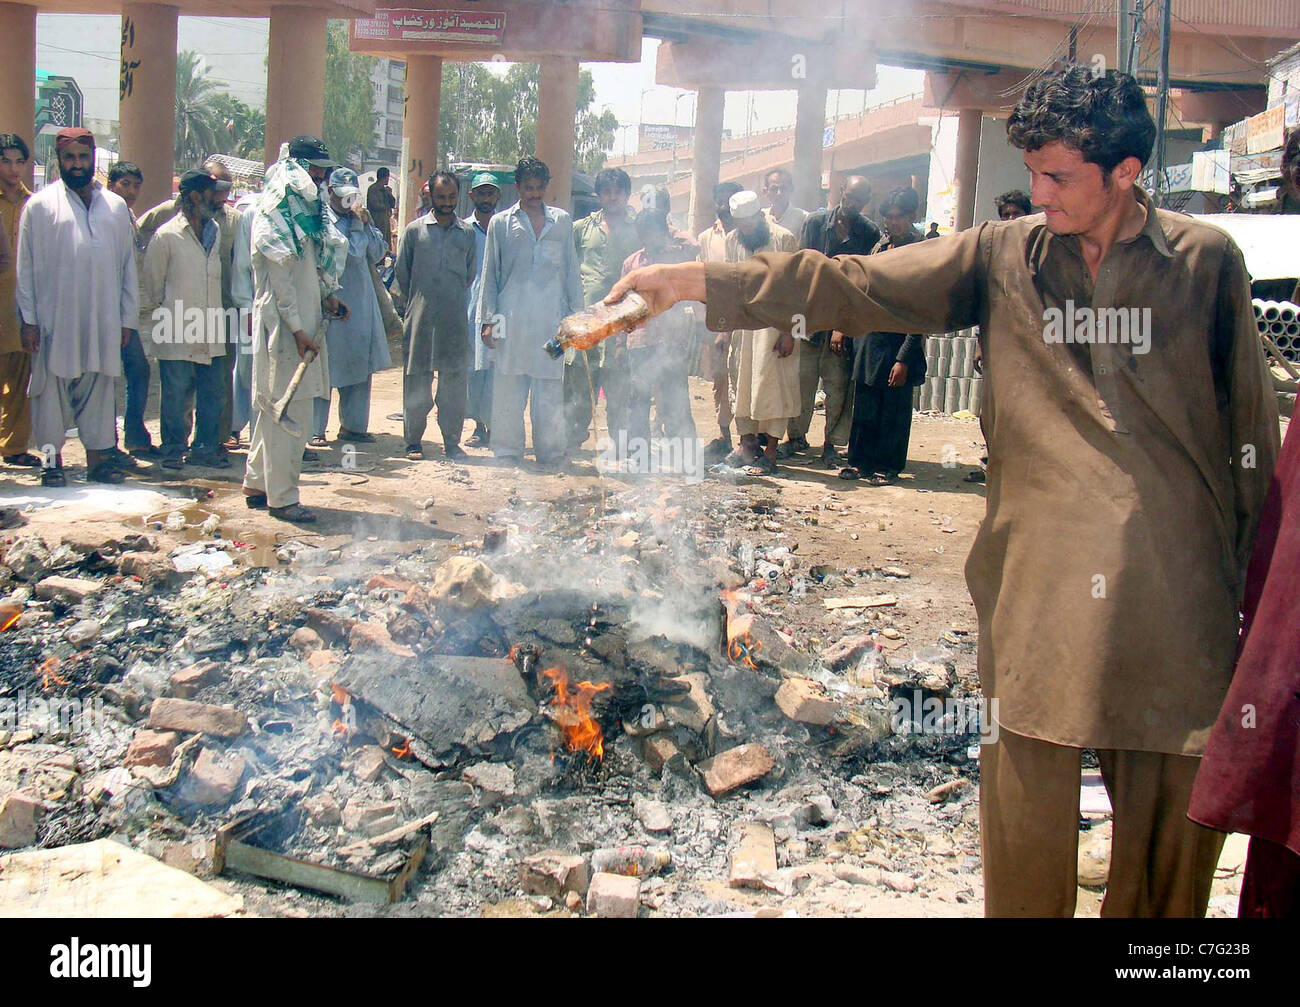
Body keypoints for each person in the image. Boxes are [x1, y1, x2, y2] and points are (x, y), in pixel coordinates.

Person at [610, 66, 1280, 917]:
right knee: (1027, 853)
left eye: (1059, 177)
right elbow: (855, 282)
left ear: (1127, 172)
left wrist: (1264, 616)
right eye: (1030, 172)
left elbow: (1253, 441)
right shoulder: (1003, 259)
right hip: (1039, 598)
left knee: (1164, 883)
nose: (1037, 194)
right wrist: (701, 282)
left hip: (1178, 606)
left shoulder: (1206, 263)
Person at [16, 127, 138, 486]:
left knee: (100, 391)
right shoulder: (39, 206)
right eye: (70, 157)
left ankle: (98, 463)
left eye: (83, 157)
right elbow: (25, 268)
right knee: (49, 395)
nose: (77, 164)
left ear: (93, 159)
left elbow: (128, 268)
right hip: (55, 319)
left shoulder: (115, 208)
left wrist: (127, 319)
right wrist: (29, 320)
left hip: (102, 319)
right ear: (59, 160)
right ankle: (52, 464)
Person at [242, 136, 349, 523]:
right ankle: (283, 499)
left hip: (302, 320)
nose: (320, 175)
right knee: (289, 410)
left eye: (323, 168)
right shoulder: (275, 212)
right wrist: (297, 328)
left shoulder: (304, 213)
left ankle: (257, 483)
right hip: (285, 328)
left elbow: (310, 269)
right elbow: (281, 280)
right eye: (314, 167)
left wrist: (326, 298)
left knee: (276, 407)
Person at [476, 156, 582, 471]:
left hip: (552, 323)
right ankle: (507, 453)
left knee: (549, 390)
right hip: (510, 320)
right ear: (518, 188)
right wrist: (488, 321)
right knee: (508, 389)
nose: (534, 194)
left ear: (546, 187)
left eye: (539, 188)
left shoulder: (562, 222)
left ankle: (550, 454)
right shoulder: (500, 223)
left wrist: (577, 319)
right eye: (528, 188)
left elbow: (572, 272)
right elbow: (490, 274)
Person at [136, 158, 242, 451]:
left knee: (213, 393)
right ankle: (173, 449)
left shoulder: (216, 230)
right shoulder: (167, 235)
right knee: (176, 393)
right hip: (176, 326)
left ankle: (206, 449)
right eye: (212, 192)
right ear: (195, 196)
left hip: (212, 325)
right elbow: (153, 284)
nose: (219, 197)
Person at [779, 174, 879, 465]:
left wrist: (842, 328)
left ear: (865, 203)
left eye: (858, 201)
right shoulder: (814, 224)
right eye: (849, 197)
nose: (852, 204)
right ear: (840, 192)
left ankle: (833, 444)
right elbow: (801, 273)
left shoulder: (868, 233)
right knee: (802, 381)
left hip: (843, 322)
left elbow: (863, 284)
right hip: (809, 319)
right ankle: (795, 436)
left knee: (838, 385)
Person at [840, 186, 926, 484]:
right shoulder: (880, 247)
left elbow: (920, 312)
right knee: (865, 403)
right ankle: (860, 461)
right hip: (870, 338)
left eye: (898, 217)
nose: (892, 223)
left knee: (893, 409)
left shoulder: (922, 250)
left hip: (900, 339)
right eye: (887, 218)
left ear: (912, 216)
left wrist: (904, 358)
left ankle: (887, 466)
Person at [395, 171, 476, 461]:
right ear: (430, 195)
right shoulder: (415, 231)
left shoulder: (466, 233)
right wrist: (419, 302)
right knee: (417, 381)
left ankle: (452, 442)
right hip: (420, 318)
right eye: (441, 196)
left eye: (452, 196)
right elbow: (402, 273)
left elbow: (469, 274)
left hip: (454, 320)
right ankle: (413, 442)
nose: (447, 202)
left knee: (454, 385)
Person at [308, 167, 390, 446]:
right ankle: (316, 430)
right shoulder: (322, 220)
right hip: (333, 302)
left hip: (362, 303)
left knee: (359, 366)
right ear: (330, 192)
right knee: (324, 368)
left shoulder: (360, 220)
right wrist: (357, 226)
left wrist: (367, 224)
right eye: (342, 196)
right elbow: (351, 253)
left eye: (351, 196)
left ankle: (353, 426)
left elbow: (378, 253)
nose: (347, 201)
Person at [719, 190, 799, 476]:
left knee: (775, 386)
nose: (746, 229)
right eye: (741, 224)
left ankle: (772, 452)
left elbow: (795, 289)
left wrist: (792, 332)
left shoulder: (783, 238)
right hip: (744, 325)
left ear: (759, 216)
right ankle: (746, 444)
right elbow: (729, 285)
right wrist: (724, 328)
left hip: (776, 326)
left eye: (751, 223)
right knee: (741, 383)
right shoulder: (731, 240)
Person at [569, 167, 640, 452]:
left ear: (627, 195)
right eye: (607, 191)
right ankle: (571, 442)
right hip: (587, 320)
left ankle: (621, 447)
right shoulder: (581, 228)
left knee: (620, 387)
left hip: (624, 322)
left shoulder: (639, 229)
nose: (613, 196)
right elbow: (569, 267)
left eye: (618, 191)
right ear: (598, 195)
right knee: (578, 385)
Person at [621, 207, 699, 458]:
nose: (650, 239)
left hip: (670, 341)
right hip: (639, 341)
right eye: (645, 233)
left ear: (665, 232)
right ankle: (637, 457)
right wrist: (619, 344)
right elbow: (621, 306)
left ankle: (685, 458)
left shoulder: (677, 262)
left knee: (676, 400)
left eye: (656, 232)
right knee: (637, 402)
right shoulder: (631, 263)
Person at [105, 161, 155, 460]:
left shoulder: (128, 215)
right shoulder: (108, 215)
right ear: (112, 184)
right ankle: (109, 442)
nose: (132, 191)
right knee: (110, 375)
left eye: (136, 185)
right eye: (125, 184)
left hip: (126, 310)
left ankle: (134, 436)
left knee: (137, 371)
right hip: (108, 309)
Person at [696, 181, 743, 463]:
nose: (724, 207)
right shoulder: (706, 237)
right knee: (720, 380)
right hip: (714, 321)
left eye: (730, 201)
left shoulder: (748, 235)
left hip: (746, 320)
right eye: (720, 201)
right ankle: (725, 436)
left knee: (744, 377)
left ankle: (749, 440)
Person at [0, 132, 39, 469]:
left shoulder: (35, 204)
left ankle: (14, 448)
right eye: (6, 161)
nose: (13, 169)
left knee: (22, 384)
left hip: (24, 307)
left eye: (19, 162)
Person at [465, 172, 501, 447]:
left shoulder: (505, 227)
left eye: (490, 193)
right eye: (481, 193)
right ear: (472, 196)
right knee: (474, 370)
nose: (486, 198)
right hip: (470, 309)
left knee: (498, 370)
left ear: (497, 197)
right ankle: (478, 426)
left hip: (501, 311)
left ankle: (497, 426)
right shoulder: (463, 230)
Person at [761, 167, 807, 237]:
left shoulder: (803, 218)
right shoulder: (761, 218)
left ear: (791, 189)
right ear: (765, 192)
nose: (779, 193)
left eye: (783, 188)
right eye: (774, 189)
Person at [366, 166, 397, 248]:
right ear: (384, 177)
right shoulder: (373, 189)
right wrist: (386, 207)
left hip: (385, 223)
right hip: (376, 222)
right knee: (376, 246)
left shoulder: (385, 190)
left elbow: (392, 204)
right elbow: (375, 205)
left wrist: (390, 194)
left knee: (384, 247)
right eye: (387, 177)